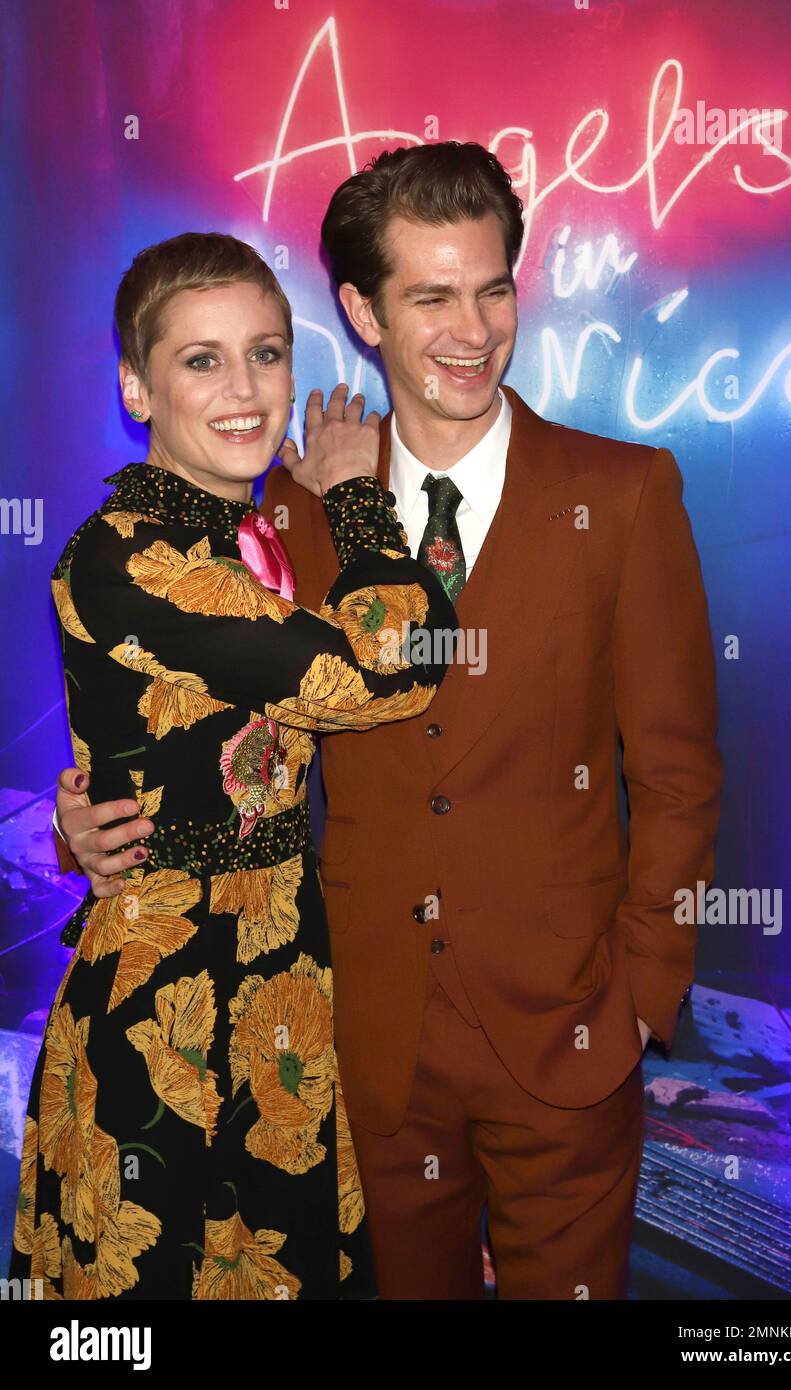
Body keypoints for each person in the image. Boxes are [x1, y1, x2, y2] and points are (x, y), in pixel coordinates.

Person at [53, 144, 724, 1300]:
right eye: (429, 295)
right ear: (361, 311)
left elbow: (676, 773)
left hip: (566, 1039)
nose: (472, 328)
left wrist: (636, 1001)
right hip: (353, 1042)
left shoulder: (621, 493)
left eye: (493, 287)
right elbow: (193, 713)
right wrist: (92, 817)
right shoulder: (285, 516)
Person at [9, 230, 460, 1300]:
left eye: (264, 353)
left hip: (280, 975)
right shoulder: (130, 552)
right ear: (136, 385)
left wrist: (90, 811)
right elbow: (390, 672)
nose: (243, 387)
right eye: (201, 360)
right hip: (166, 994)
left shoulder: (245, 528)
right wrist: (358, 495)